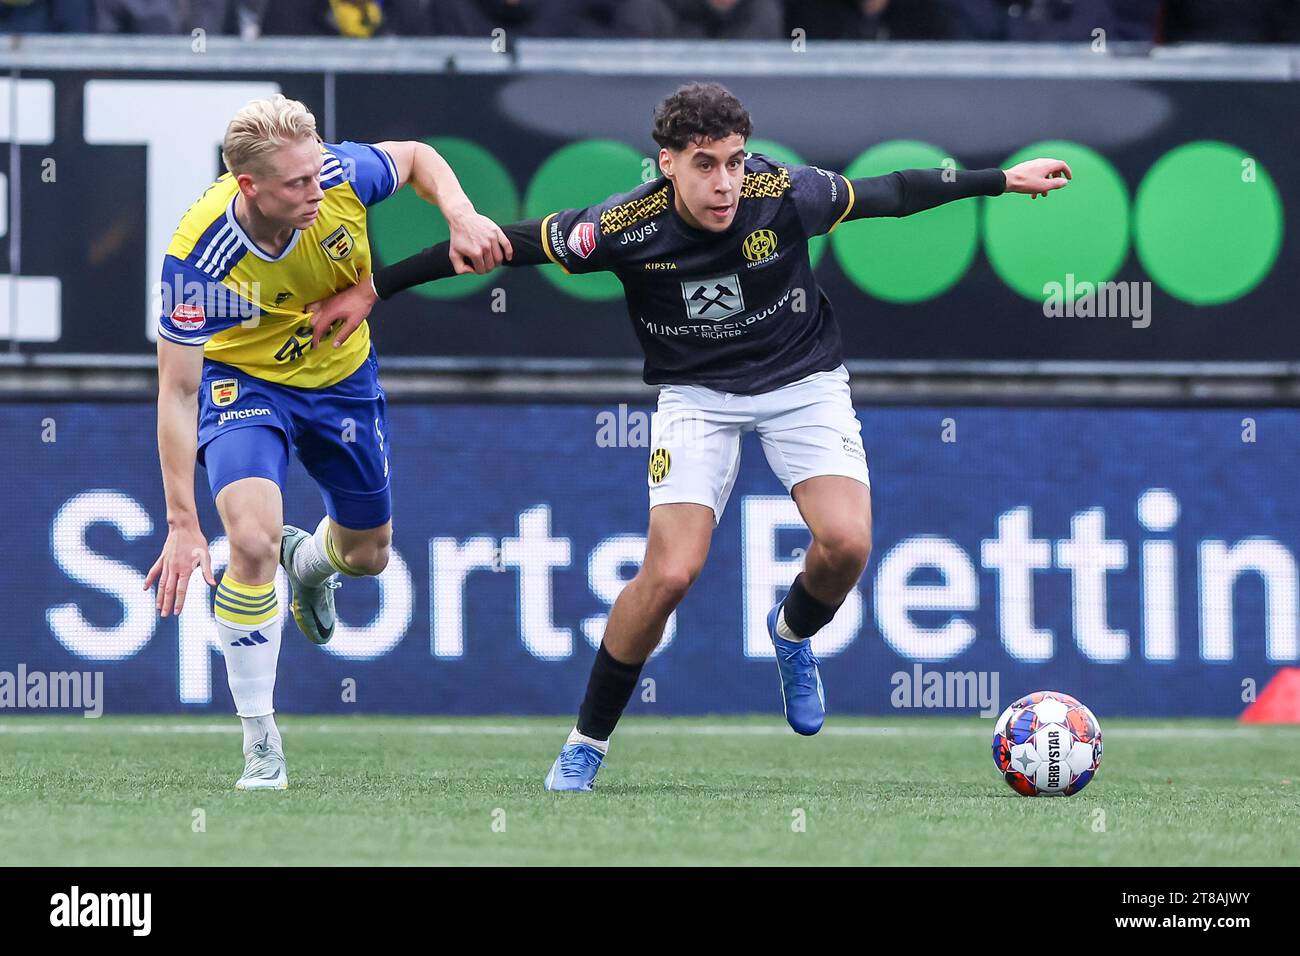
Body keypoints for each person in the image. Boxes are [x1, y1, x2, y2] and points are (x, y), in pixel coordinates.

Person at [306, 82, 1070, 792]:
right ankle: (586, 743)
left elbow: (896, 193)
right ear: (667, 165)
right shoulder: (621, 227)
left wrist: (1001, 179)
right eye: (705, 165)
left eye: (735, 162)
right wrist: (375, 288)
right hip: (698, 398)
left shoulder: (786, 193)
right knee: (671, 575)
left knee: (848, 545)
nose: (726, 183)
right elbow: (497, 245)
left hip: (803, 382)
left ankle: (792, 633)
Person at [143, 94, 510, 790]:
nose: (318, 189)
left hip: (341, 376)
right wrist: (181, 522)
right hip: (244, 383)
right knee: (248, 542)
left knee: (369, 556)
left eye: (318, 173)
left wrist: (461, 216)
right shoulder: (200, 259)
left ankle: (308, 565)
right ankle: (261, 744)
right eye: (297, 183)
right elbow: (178, 391)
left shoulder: (339, 176)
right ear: (249, 187)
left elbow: (419, 157)